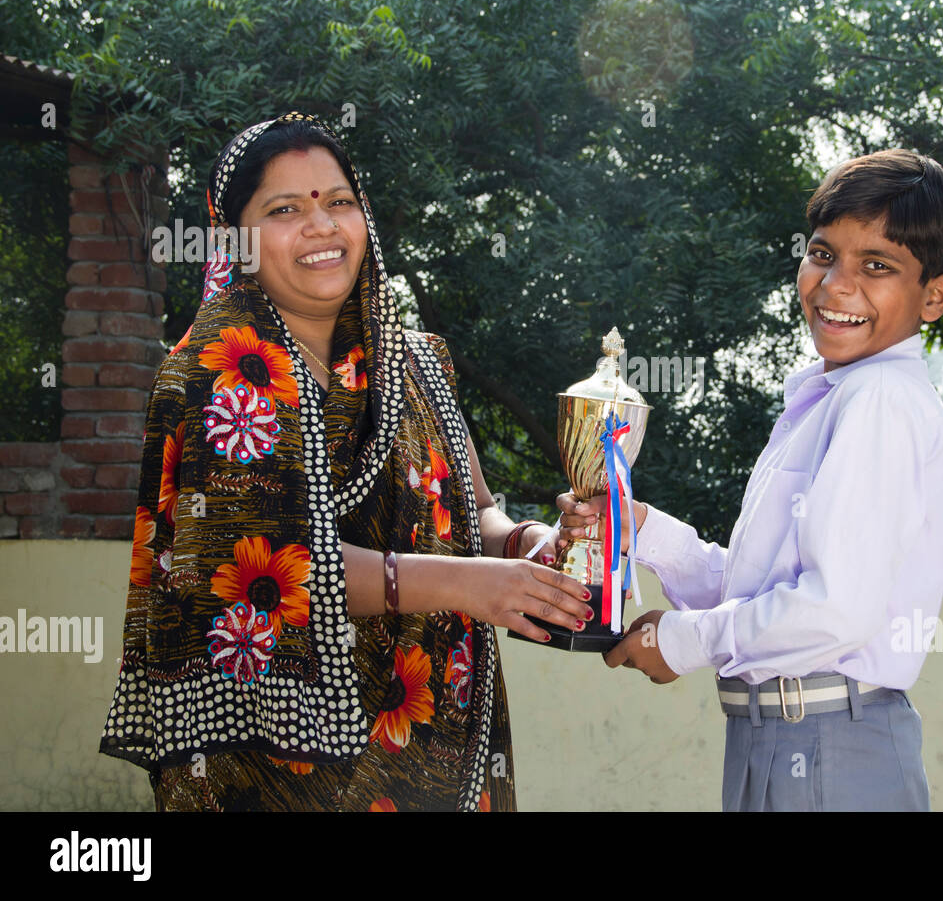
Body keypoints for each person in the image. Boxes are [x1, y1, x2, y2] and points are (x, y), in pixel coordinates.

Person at [101, 112, 594, 811]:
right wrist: (473, 585)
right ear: (235, 237)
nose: (321, 225)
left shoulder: (415, 360)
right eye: (284, 209)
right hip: (276, 755)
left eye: (338, 201)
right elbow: (269, 567)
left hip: (430, 726)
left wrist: (528, 544)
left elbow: (472, 510)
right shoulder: (218, 370)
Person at [559, 149, 943, 811]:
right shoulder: (829, 397)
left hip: (829, 749)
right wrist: (645, 532)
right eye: (823, 253)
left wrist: (681, 640)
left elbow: (834, 610)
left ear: (935, 295)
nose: (836, 284)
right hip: (783, 740)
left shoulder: (881, 400)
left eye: (877, 266)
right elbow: (769, 592)